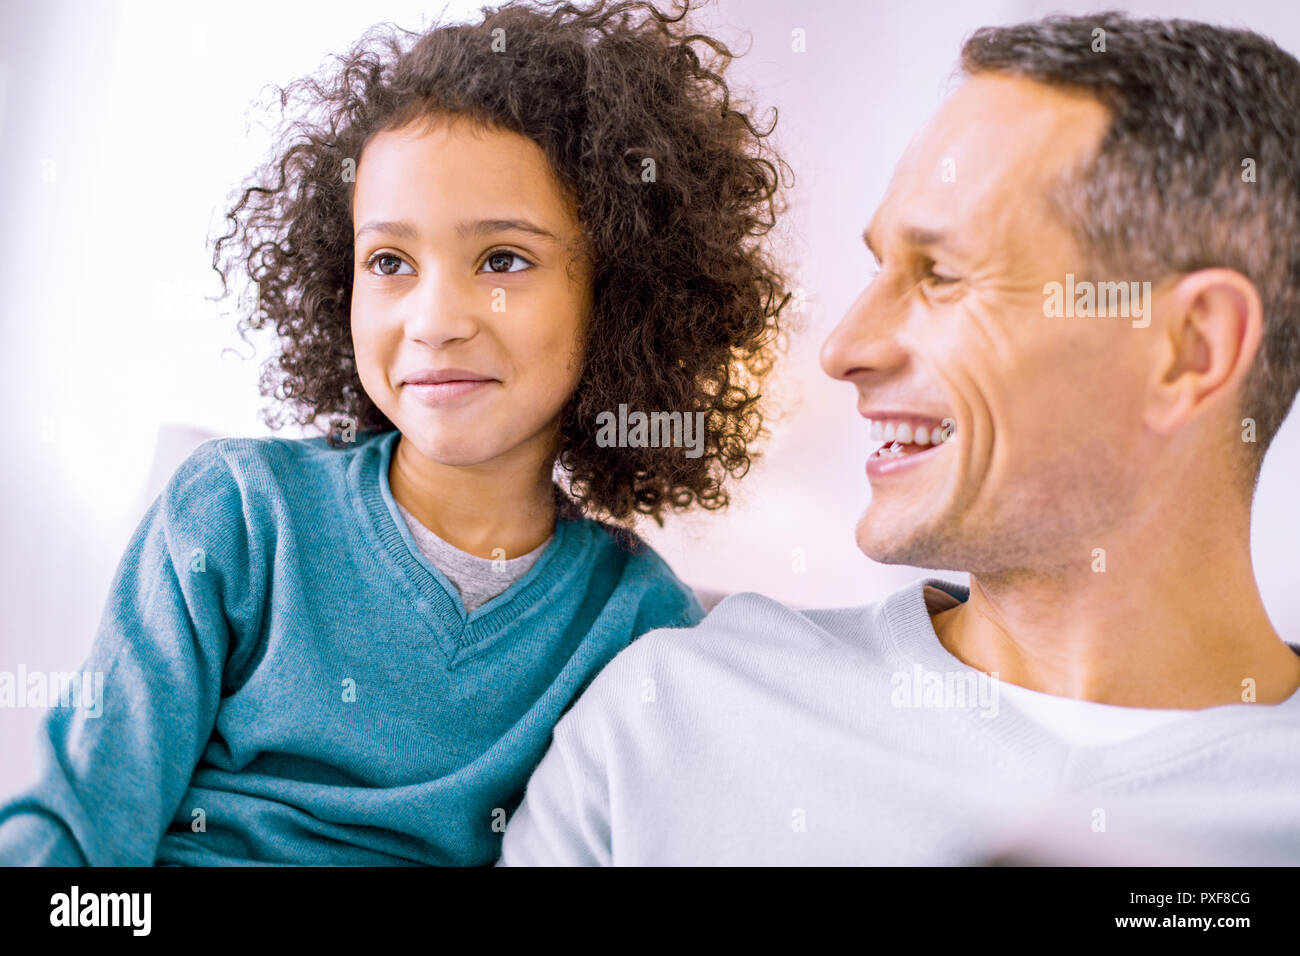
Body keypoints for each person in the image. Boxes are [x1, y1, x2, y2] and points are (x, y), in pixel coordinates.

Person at [0, 0, 790, 866]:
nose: (435, 320)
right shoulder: (235, 513)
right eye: (389, 263)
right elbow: (75, 832)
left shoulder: (639, 621)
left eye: (502, 260)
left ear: (619, 295)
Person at [499, 12, 1300, 865]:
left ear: (1190, 349)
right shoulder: (669, 713)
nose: (844, 350)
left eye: (942, 275)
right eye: (880, 266)